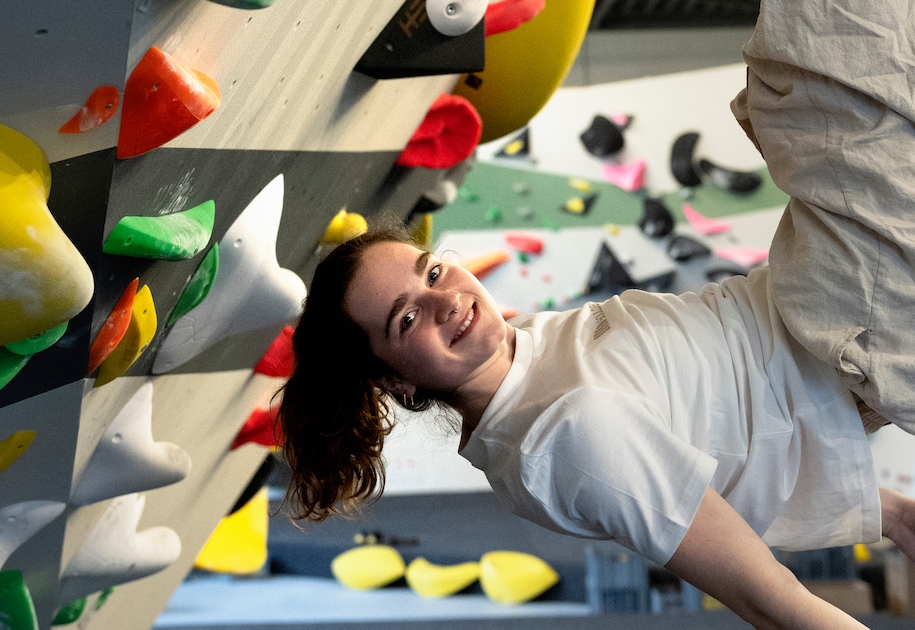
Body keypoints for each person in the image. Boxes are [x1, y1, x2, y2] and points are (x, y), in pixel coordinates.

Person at [275, 2, 915, 628]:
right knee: (821, 45)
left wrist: (885, 512)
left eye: (432, 271)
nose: (446, 301)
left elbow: (715, 458)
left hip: (822, 309)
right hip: (847, 317)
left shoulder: (519, 374)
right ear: (396, 381)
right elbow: (767, 598)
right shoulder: (561, 438)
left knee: (790, 85)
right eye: (406, 320)